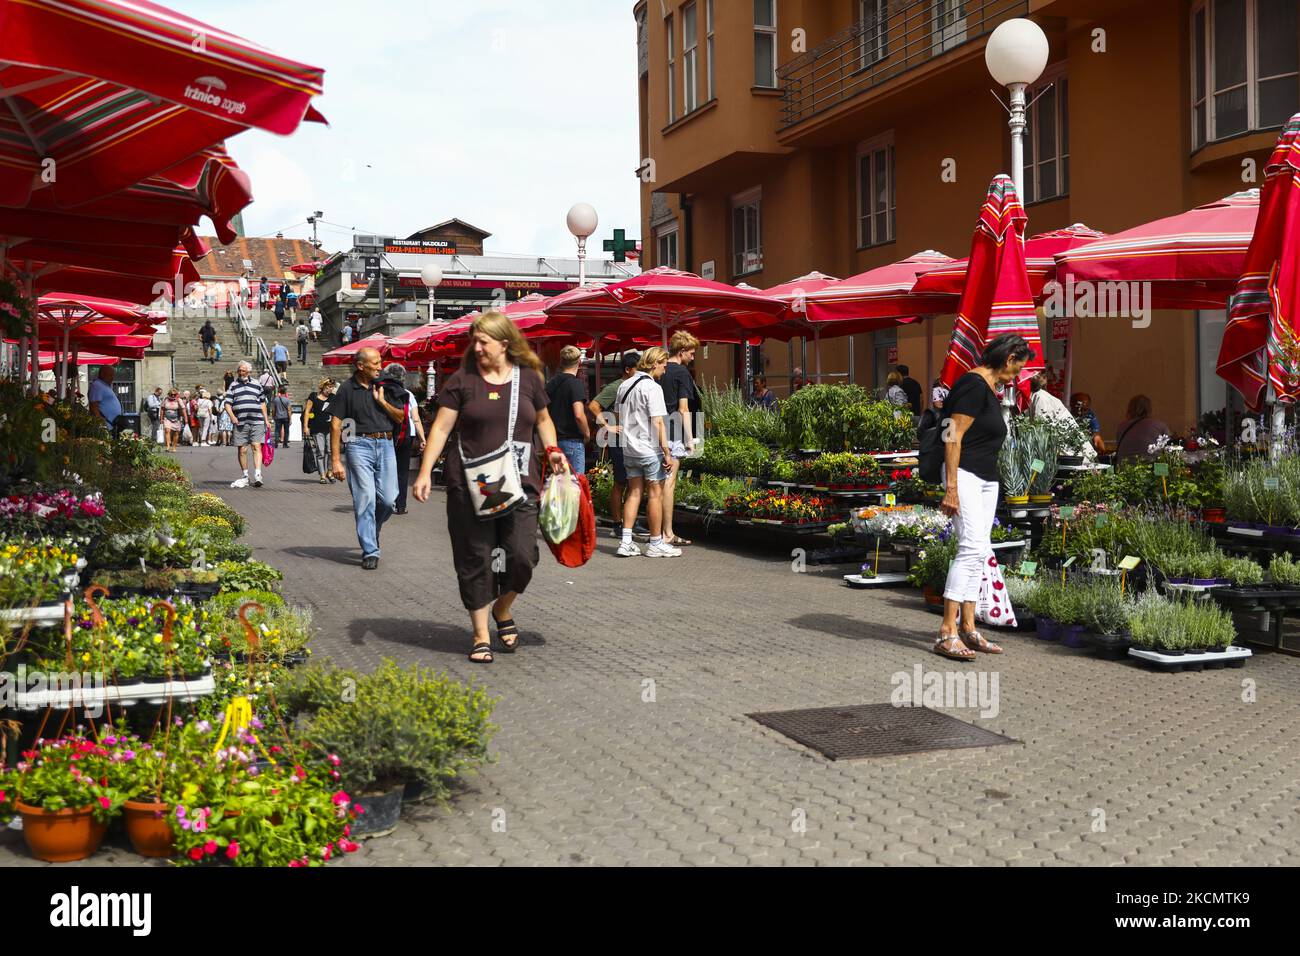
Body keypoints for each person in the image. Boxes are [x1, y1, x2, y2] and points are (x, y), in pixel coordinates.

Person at [412, 311, 569, 663]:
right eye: (475, 341)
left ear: (505, 343)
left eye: (484, 341)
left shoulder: (529, 379)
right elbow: (440, 429)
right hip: (469, 484)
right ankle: (481, 633)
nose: (477, 347)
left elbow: (543, 420)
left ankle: (503, 607)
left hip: (521, 481)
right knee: (475, 558)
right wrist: (424, 472)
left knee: (523, 555)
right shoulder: (462, 381)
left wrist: (554, 450)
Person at [936, 333, 1032, 662]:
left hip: (985, 479)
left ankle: (968, 626)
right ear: (1009, 360)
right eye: (1019, 367)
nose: (1018, 374)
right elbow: (951, 436)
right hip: (964, 476)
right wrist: (951, 487)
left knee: (979, 552)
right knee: (970, 550)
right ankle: (947, 631)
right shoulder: (972, 386)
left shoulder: (990, 389)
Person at [330, 347, 405, 569]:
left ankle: (372, 529)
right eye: (375, 363)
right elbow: (336, 424)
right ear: (360, 366)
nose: (380, 367)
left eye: (380, 362)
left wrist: (383, 402)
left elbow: (400, 416)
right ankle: (370, 550)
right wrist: (336, 461)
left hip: (386, 443)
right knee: (366, 499)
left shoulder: (386, 385)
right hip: (357, 444)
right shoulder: (346, 388)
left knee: (390, 499)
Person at [615, 347, 679, 558]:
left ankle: (625, 541)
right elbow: (658, 422)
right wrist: (667, 452)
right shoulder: (652, 388)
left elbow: (617, 415)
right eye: (663, 365)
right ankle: (655, 542)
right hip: (649, 449)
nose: (664, 369)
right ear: (654, 364)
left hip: (629, 449)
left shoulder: (624, 385)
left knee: (633, 492)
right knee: (655, 494)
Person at [588, 352, 647, 539]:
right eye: (638, 369)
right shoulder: (616, 387)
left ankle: (631, 520)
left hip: (632, 439)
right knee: (621, 482)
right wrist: (607, 426)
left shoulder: (635, 385)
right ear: (627, 370)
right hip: (619, 440)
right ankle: (617, 524)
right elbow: (593, 406)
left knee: (634, 482)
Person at [660, 331, 701, 548]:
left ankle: (656, 532)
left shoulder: (659, 368)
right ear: (682, 351)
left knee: (655, 484)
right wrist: (690, 439)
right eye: (692, 353)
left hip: (653, 431)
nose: (693, 357)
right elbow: (683, 408)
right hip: (673, 432)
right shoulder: (682, 373)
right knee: (669, 483)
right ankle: (667, 532)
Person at [380, 363, 427, 514]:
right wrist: (422, 438)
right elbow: (416, 418)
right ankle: (400, 505)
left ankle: (386, 501)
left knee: (385, 470)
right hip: (407, 435)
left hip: (386, 434)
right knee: (402, 471)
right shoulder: (408, 394)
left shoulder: (381, 392)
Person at [545, 345, 591, 474]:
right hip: (572, 440)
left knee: (557, 485)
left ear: (561, 361)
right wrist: (587, 433)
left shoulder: (551, 384)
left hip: (553, 441)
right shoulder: (575, 384)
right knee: (575, 487)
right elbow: (578, 414)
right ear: (579, 362)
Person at [1029, 373, 1095, 461]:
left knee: (1039, 469)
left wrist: (1035, 469)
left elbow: (1039, 434)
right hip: (1062, 454)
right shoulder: (1037, 397)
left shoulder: (1040, 397)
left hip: (1071, 457)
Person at [226, 361, 270, 488]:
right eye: (239, 370)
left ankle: (258, 474)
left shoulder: (257, 384)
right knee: (242, 449)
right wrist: (232, 417)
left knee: (256, 446)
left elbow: (262, 403)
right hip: (240, 421)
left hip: (257, 421)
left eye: (243, 371)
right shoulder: (233, 385)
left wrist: (266, 420)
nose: (241, 373)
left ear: (249, 372)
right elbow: (227, 403)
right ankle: (245, 475)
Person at [1114, 395, 1169, 463]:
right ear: (1149, 409)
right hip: (1150, 467)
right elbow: (1168, 448)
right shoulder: (1160, 425)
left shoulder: (1122, 426)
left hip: (1124, 468)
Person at [303, 378, 336, 483]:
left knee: (330, 451)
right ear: (323, 386)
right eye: (328, 387)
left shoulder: (333, 398)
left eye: (332, 387)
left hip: (330, 429)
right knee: (320, 452)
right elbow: (307, 411)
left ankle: (329, 472)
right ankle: (322, 475)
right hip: (317, 429)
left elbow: (337, 413)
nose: (330, 389)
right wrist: (305, 426)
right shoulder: (313, 396)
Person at [87, 366, 122, 433]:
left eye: (113, 375)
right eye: (110, 375)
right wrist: (101, 423)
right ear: (103, 374)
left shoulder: (103, 385)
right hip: (106, 427)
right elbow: (94, 406)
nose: (112, 378)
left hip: (111, 425)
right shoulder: (97, 385)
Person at [161, 388, 184, 452]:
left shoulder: (179, 400)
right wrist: (161, 418)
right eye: (171, 394)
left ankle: (174, 447)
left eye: (174, 394)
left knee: (176, 433)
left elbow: (183, 409)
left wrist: (185, 418)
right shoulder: (165, 399)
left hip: (176, 419)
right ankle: (168, 446)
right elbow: (162, 409)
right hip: (167, 418)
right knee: (167, 430)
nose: (173, 396)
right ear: (169, 394)